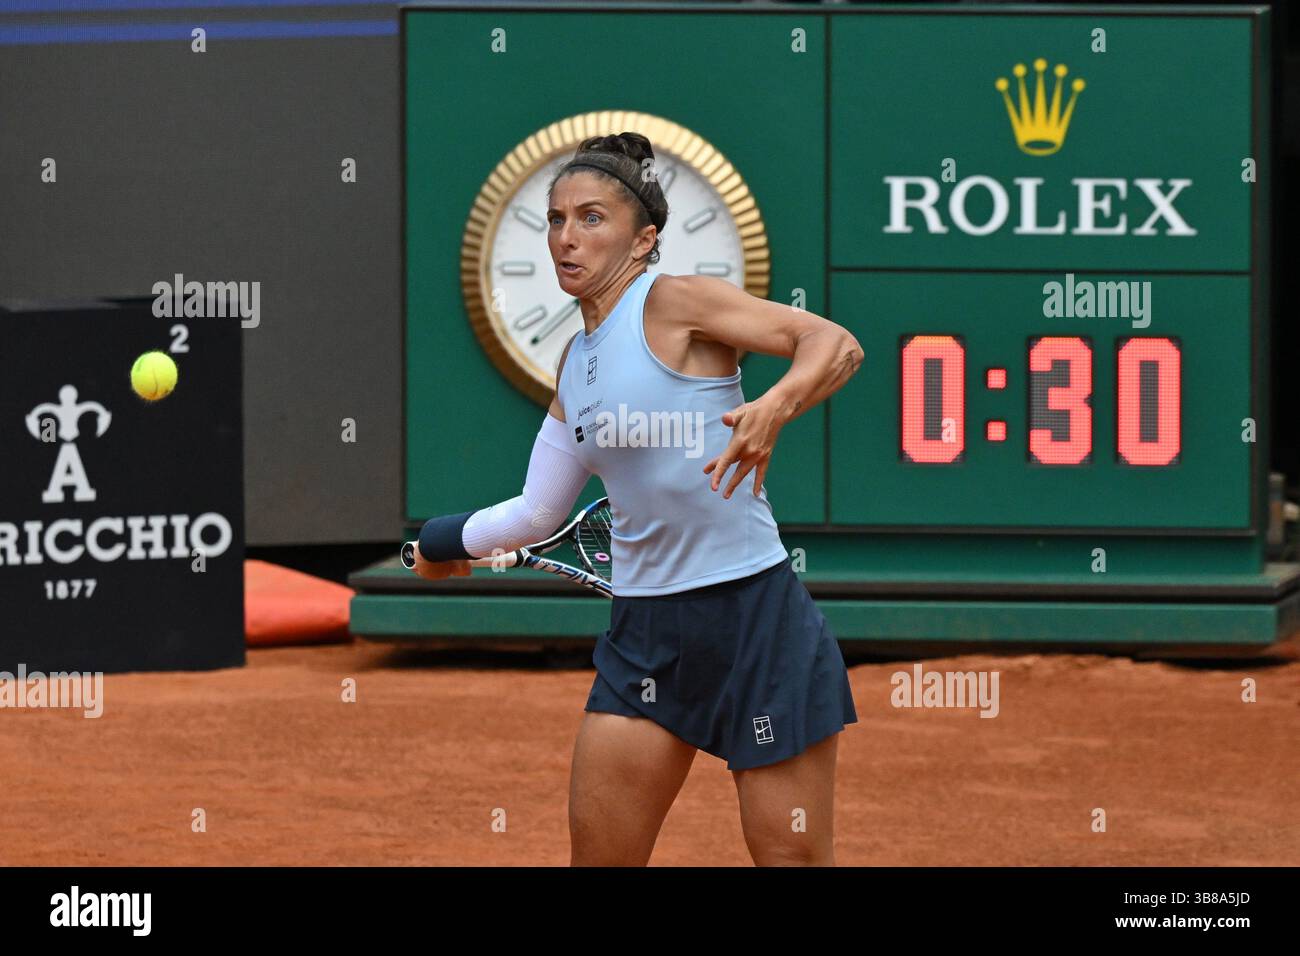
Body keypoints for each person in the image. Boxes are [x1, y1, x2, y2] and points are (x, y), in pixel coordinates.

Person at [411, 132, 864, 866]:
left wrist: (773, 409)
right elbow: (535, 512)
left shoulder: (679, 302)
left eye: (591, 218)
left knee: (793, 861)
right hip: (647, 640)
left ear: (643, 237)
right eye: (556, 219)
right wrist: (439, 543)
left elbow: (833, 342)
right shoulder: (576, 362)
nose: (566, 237)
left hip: (758, 624)